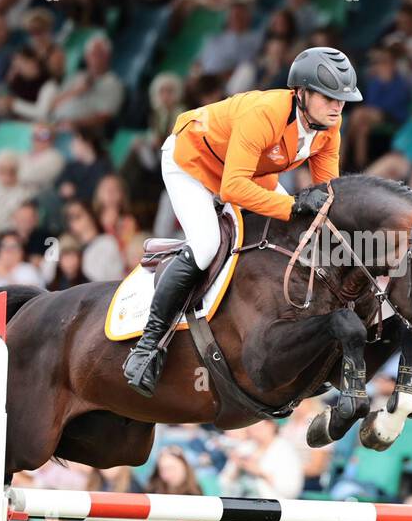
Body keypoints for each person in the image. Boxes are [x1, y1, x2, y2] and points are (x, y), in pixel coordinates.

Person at [122, 47, 360, 396]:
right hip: (193, 163)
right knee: (206, 245)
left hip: (249, 170)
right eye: (329, 97)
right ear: (302, 94)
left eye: (342, 98)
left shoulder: (329, 127)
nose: (338, 106)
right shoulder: (265, 114)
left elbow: (328, 195)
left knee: (295, 231)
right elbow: (233, 188)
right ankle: (147, 346)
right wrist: (292, 205)